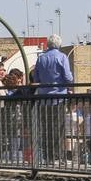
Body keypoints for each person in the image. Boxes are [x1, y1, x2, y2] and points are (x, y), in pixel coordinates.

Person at [31, 35, 73, 163]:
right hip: (58, 97)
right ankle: (58, 156)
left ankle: (48, 156)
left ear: (48, 44)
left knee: (46, 128)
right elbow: (68, 78)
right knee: (59, 128)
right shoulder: (62, 57)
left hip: (43, 98)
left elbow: (36, 78)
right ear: (59, 45)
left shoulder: (41, 58)